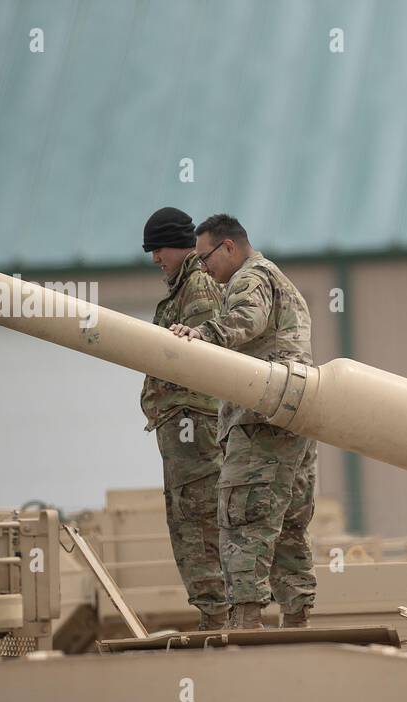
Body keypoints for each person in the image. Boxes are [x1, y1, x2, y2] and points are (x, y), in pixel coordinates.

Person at [169, 214, 317, 629]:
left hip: (259, 419)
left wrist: (203, 334)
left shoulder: (249, 279)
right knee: (287, 519)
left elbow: (245, 319)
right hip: (294, 416)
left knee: (244, 515)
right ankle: (296, 617)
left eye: (205, 258)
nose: (204, 269)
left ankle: (247, 621)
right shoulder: (278, 279)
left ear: (229, 247)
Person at [140, 207, 227, 630]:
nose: (156, 257)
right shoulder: (183, 288)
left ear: (183, 245)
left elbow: (203, 359)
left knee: (198, 521)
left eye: (161, 248)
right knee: (188, 519)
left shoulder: (197, 289)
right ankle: (215, 614)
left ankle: (219, 617)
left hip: (195, 423)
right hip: (183, 425)